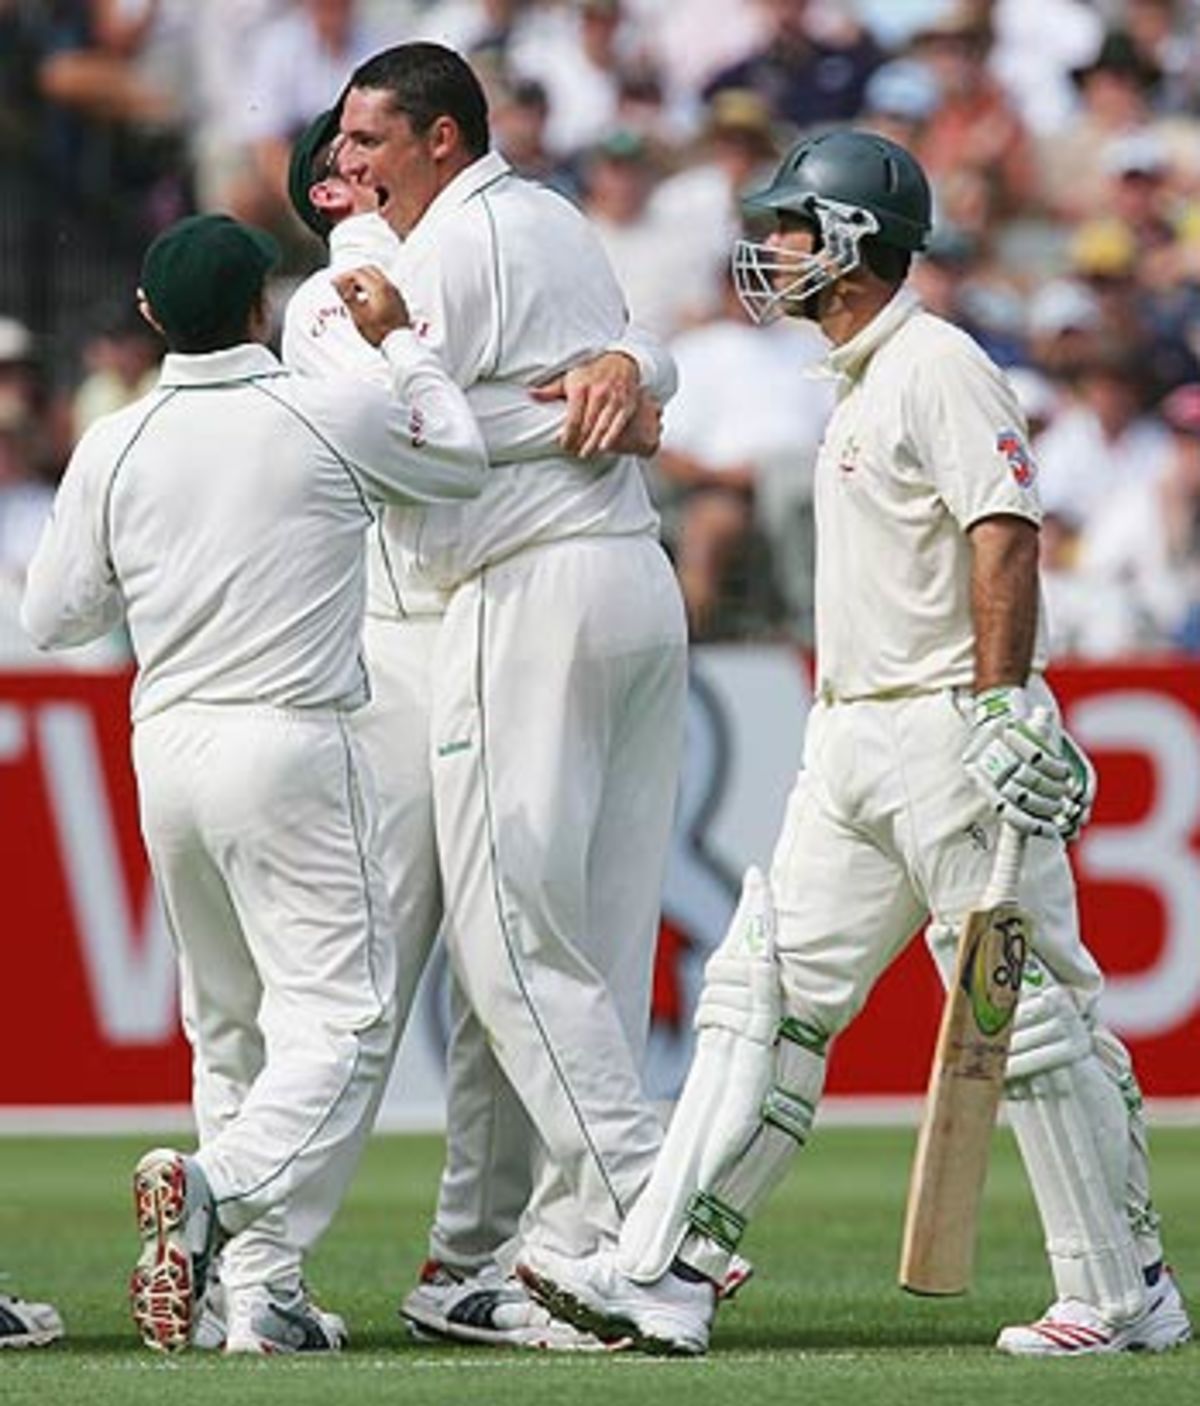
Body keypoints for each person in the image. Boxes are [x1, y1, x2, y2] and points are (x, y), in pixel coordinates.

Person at [518, 129, 1194, 1359]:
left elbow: (1005, 531)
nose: (770, 249)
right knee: (762, 998)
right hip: (849, 739)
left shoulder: (939, 363)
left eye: (789, 226)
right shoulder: (856, 378)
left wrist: (1002, 700)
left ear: (847, 243)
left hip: (948, 727)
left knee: (1031, 1017)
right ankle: (666, 1269)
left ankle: (1125, 1289)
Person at [21, 212, 488, 1354]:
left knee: (227, 1024)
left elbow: (54, 615)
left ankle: (259, 1296)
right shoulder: (325, 410)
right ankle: (215, 1187)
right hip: (290, 738)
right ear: (263, 308)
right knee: (344, 1014)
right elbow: (463, 460)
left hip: (166, 746)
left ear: (146, 318)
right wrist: (403, 345)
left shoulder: (116, 442)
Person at [331, 41, 690, 1345]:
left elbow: (409, 440)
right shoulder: (551, 215)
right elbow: (615, 351)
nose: (347, 165)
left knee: (513, 942)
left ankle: (654, 1225)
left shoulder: (436, 253)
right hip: (632, 580)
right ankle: (532, 1254)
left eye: (369, 140)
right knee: (585, 941)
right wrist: (642, 379)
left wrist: (638, 378)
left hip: (520, 593)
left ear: (440, 138)